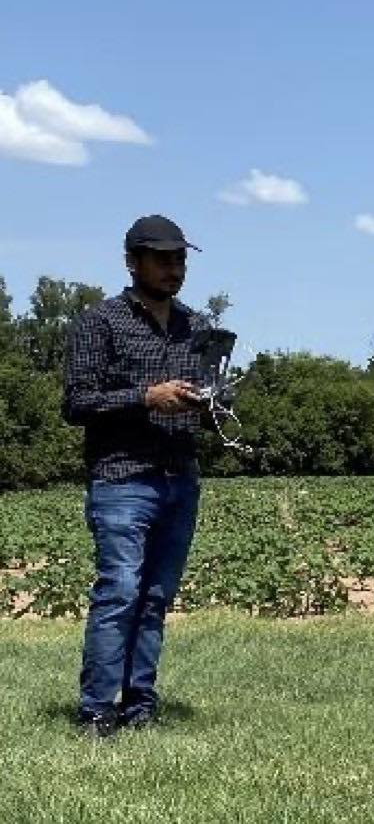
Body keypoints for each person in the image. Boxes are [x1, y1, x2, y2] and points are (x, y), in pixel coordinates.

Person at [62, 214, 209, 739]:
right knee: (120, 592)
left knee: (154, 599)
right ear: (132, 262)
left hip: (179, 476)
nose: (173, 269)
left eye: (180, 259)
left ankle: (139, 704)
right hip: (122, 478)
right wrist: (146, 397)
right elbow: (77, 403)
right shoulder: (99, 322)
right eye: (162, 259)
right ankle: (98, 710)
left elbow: (200, 400)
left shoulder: (197, 327)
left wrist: (212, 403)